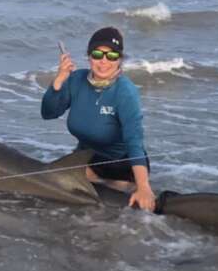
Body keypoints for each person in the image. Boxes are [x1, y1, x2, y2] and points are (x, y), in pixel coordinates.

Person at [40, 27, 155, 211]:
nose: (103, 62)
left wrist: (143, 187)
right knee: (53, 191)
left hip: (121, 168)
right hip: (87, 161)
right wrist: (59, 81)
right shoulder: (76, 79)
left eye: (111, 56)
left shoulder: (125, 91)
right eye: (97, 54)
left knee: (116, 215)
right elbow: (48, 113)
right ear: (88, 56)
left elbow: (134, 142)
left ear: (120, 60)